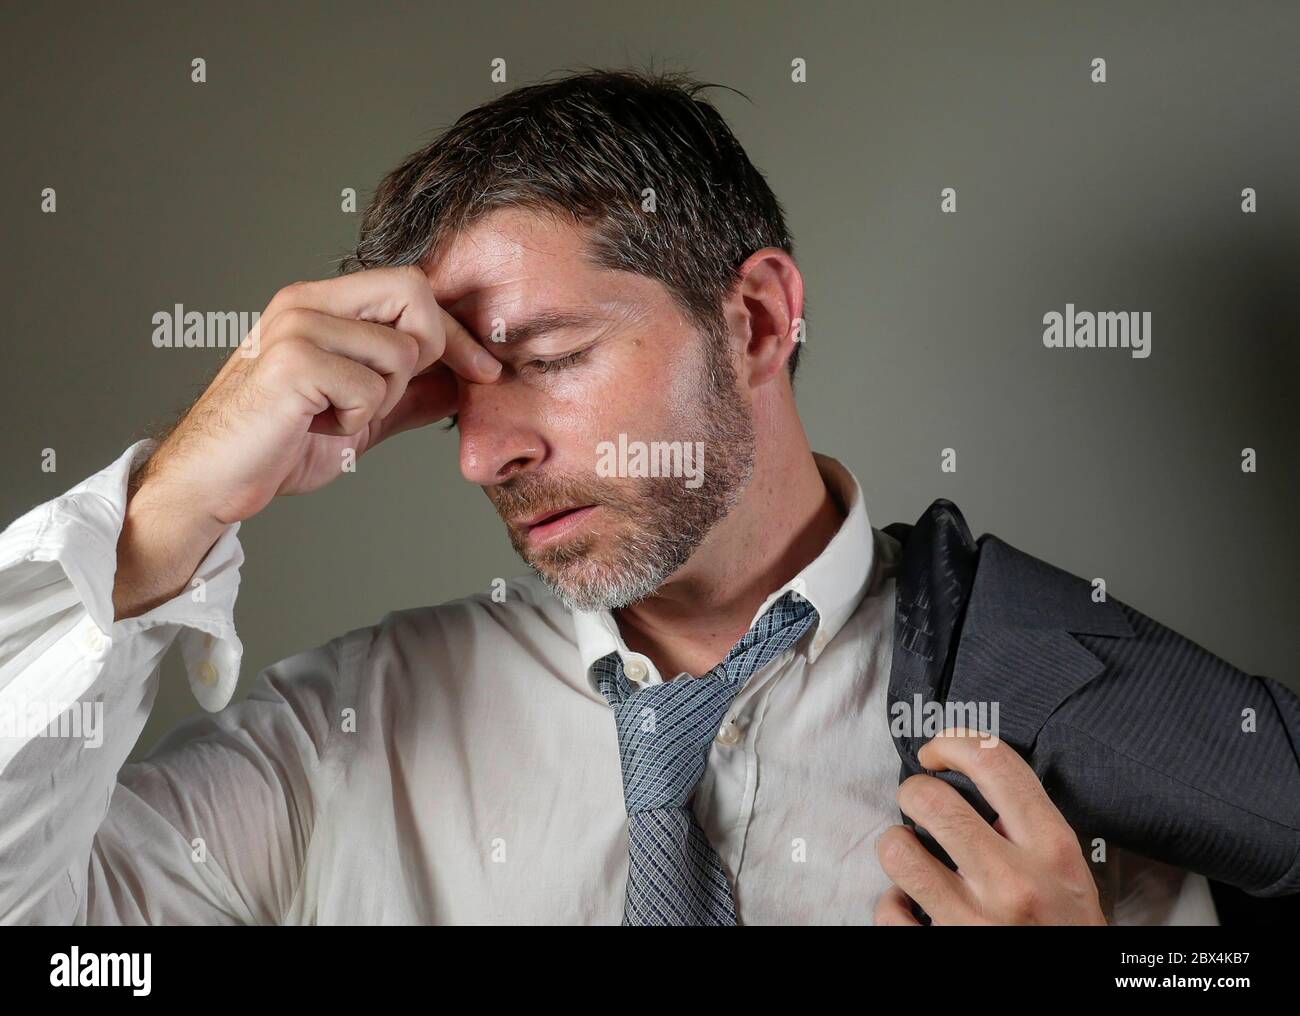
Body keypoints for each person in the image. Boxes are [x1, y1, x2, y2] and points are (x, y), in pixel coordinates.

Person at [0, 69, 1251, 925]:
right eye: (448, 393)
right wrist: (160, 522)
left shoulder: (1078, 742)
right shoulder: (337, 738)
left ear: (754, 319)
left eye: (543, 358)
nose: (481, 451)